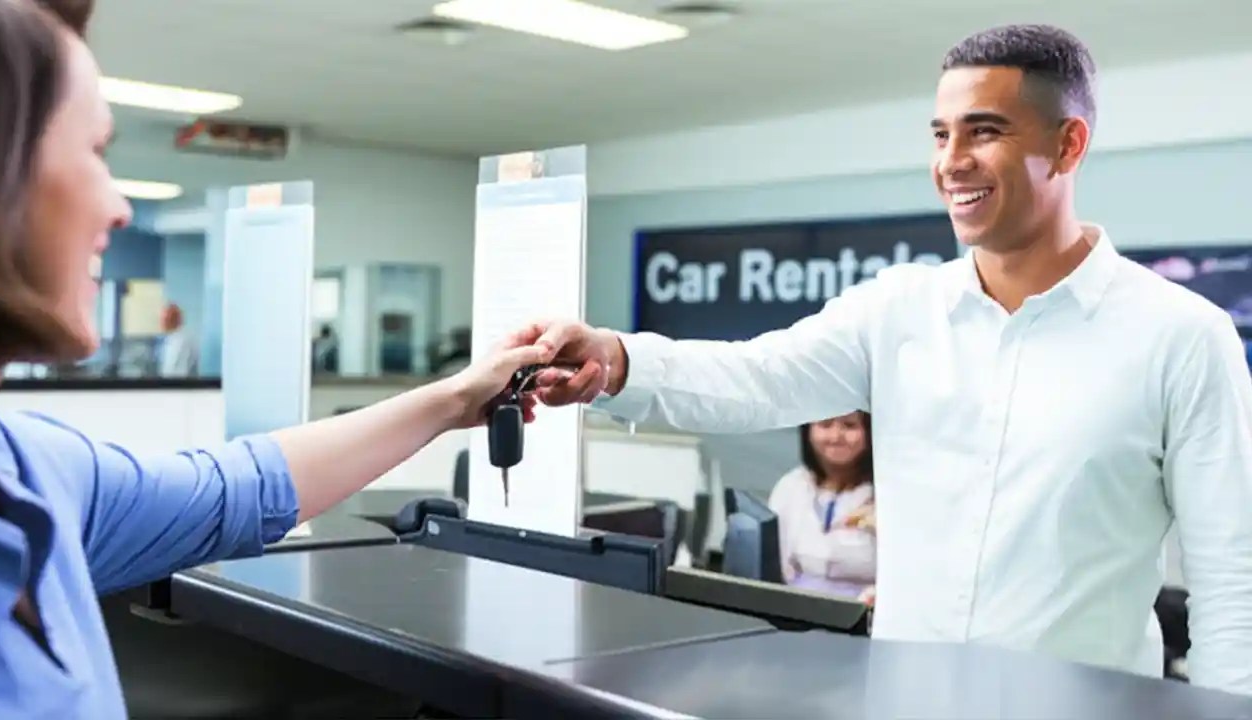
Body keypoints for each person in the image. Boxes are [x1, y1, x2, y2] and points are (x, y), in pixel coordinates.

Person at [521, 24, 1252, 696]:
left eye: (984, 131)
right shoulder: (897, 310)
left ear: (1068, 146)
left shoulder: (1181, 337)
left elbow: (1234, 584)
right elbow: (757, 378)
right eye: (940, 134)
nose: (950, 162)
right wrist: (616, 359)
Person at [0, 1, 553, 716]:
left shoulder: (27, 474)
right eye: (92, 151)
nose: (118, 207)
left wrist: (456, 399)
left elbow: (240, 488)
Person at [767, 412, 876, 599]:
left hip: (868, 616)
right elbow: (775, 566)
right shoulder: (792, 486)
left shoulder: (891, 494)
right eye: (825, 425)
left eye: (850, 426)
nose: (835, 437)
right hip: (797, 609)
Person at [157, 302, 198, 377]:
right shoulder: (172, 338)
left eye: (165, 319)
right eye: (162, 319)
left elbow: (179, 371)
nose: (162, 323)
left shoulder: (183, 340)